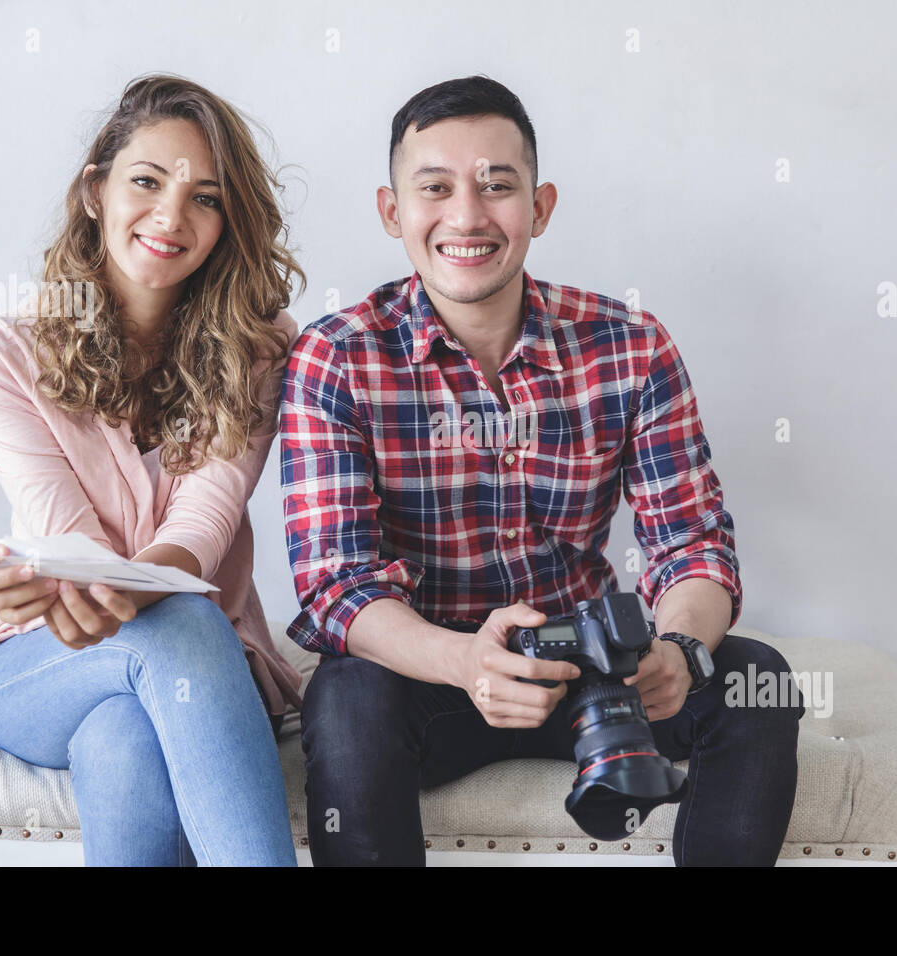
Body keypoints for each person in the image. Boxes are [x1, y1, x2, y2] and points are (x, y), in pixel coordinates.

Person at [279, 75, 805, 866]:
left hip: (588, 666)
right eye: (435, 188)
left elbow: (692, 545)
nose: (466, 216)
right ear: (394, 213)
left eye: (498, 186)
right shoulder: (337, 356)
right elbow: (335, 584)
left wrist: (680, 651)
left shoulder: (630, 345)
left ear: (540, 206)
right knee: (347, 696)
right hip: (430, 673)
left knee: (755, 678)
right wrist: (463, 660)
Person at [0, 74, 303, 866]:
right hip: (47, 658)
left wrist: (134, 588)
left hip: (195, 656)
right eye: (146, 181)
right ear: (94, 190)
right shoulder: (6, 354)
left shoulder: (259, 348)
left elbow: (203, 526)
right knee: (176, 621)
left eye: (206, 198)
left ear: (227, 222)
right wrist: (60, 583)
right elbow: (72, 552)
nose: (171, 217)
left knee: (124, 735)